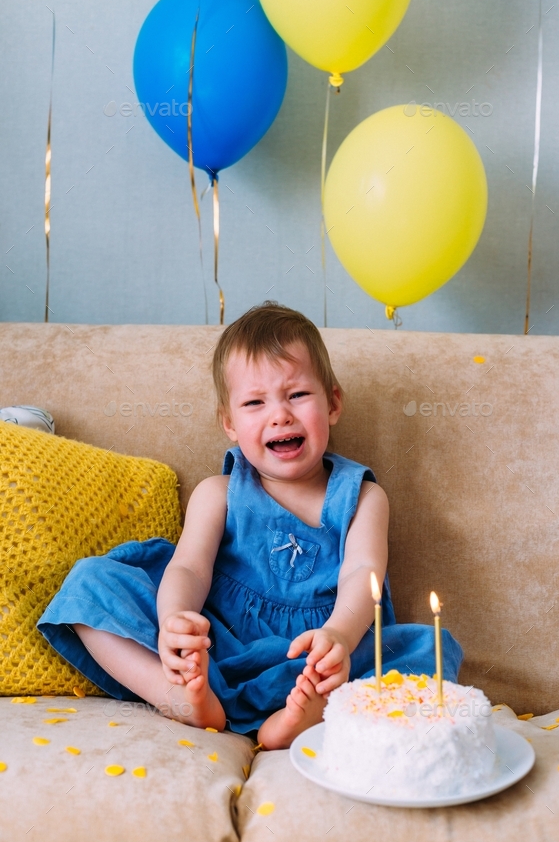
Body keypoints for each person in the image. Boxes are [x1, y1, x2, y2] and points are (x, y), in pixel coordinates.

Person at [38, 302, 463, 749]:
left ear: (333, 403)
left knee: (432, 649)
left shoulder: (362, 498)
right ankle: (179, 696)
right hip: (219, 649)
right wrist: (174, 624)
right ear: (230, 423)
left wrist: (337, 634)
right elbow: (188, 569)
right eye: (255, 403)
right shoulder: (217, 493)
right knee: (90, 583)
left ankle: (307, 714)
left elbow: (363, 575)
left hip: (319, 655)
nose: (279, 415)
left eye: (297, 394)